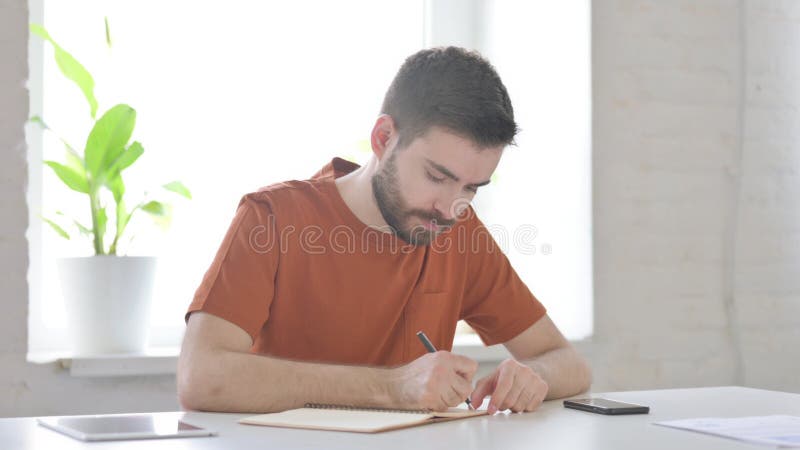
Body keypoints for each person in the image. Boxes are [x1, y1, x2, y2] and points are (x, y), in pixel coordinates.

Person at [177, 46, 591, 415]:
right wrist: (393, 388)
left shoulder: (459, 232)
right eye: (436, 176)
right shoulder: (272, 218)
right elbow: (202, 377)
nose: (451, 208)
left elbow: (568, 364)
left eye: (471, 188)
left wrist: (531, 376)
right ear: (383, 138)